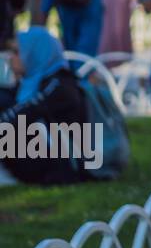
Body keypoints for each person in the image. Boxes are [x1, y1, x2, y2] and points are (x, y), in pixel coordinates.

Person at [0, 27, 88, 184]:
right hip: (45, 155)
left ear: (35, 52)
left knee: (9, 126)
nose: (10, 58)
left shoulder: (59, 84)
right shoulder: (34, 81)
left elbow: (25, 112)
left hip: (62, 168)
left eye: (16, 52)